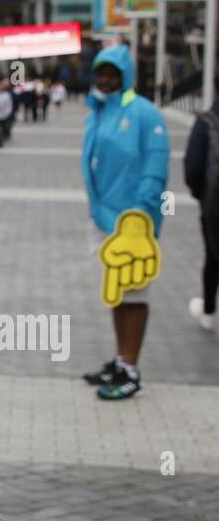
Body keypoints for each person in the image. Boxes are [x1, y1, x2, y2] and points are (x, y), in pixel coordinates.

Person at [80, 43, 170, 400]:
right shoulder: (98, 112)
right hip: (105, 219)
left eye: (112, 74)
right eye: (100, 72)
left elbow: (156, 167)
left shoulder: (145, 114)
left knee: (134, 292)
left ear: (126, 76)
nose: (105, 79)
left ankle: (131, 369)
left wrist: (142, 217)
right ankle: (120, 358)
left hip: (133, 221)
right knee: (117, 289)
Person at [184, 81, 219, 332]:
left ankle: (208, 310)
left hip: (214, 205)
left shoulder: (207, 121)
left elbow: (193, 169)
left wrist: (202, 195)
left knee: (213, 256)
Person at [0, 79, 15, 148]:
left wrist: (7, 112)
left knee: (4, 128)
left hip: (5, 115)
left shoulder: (6, 95)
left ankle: (3, 138)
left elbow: (9, 105)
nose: (0, 88)